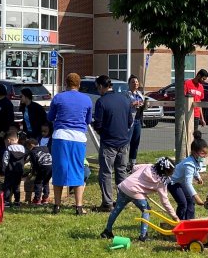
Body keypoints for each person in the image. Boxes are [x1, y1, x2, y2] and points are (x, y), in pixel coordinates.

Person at [47, 73, 94, 215]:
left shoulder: (58, 98)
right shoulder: (87, 99)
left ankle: (57, 205)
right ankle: (78, 206)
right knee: (78, 168)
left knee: (59, 168)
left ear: (66, 84)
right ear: (79, 84)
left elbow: (50, 117)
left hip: (61, 136)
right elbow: (88, 120)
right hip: (78, 137)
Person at [100, 157, 177, 242]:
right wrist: (174, 216)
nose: (171, 174)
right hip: (135, 192)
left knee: (116, 210)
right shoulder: (161, 182)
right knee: (146, 211)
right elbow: (165, 201)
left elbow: (134, 168)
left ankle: (107, 231)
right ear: (165, 171)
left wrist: (139, 181)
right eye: (170, 172)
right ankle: (143, 236)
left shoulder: (149, 166)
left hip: (124, 187)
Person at [93, 75, 134, 212]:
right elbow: (129, 121)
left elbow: (97, 124)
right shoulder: (125, 99)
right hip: (123, 141)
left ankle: (107, 203)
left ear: (100, 86)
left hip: (108, 142)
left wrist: (102, 132)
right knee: (121, 172)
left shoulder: (101, 101)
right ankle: (122, 200)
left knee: (105, 173)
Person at [168, 137, 208, 220]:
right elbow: (188, 183)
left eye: (206, 153)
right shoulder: (189, 164)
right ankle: (179, 222)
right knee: (183, 203)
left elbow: (195, 168)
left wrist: (198, 177)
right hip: (172, 182)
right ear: (194, 152)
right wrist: (197, 198)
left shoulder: (196, 160)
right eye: (202, 153)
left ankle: (190, 220)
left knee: (190, 201)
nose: (204, 156)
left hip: (181, 181)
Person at [2, 132, 29, 205]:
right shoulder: (23, 149)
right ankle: (17, 201)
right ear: (17, 140)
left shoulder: (8, 149)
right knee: (17, 186)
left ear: (8, 140)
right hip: (19, 170)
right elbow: (26, 157)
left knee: (8, 186)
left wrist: (4, 168)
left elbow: (5, 160)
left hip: (10, 170)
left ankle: (6, 201)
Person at [127, 75, 148, 168]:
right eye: (133, 82)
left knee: (135, 142)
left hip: (138, 120)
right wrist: (132, 104)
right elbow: (124, 105)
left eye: (136, 82)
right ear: (129, 84)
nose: (135, 83)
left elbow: (144, 106)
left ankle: (132, 163)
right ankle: (123, 163)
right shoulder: (126, 94)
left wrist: (145, 105)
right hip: (130, 121)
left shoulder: (140, 94)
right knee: (127, 142)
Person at [25, 137, 53, 206]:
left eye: (27, 147)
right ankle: (45, 198)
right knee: (46, 182)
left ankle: (37, 200)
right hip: (51, 166)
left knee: (38, 182)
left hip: (43, 166)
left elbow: (35, 164)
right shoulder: (45, 148)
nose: (28, 149)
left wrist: (33, 173)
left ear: (31, 145)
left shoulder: (33, 152)